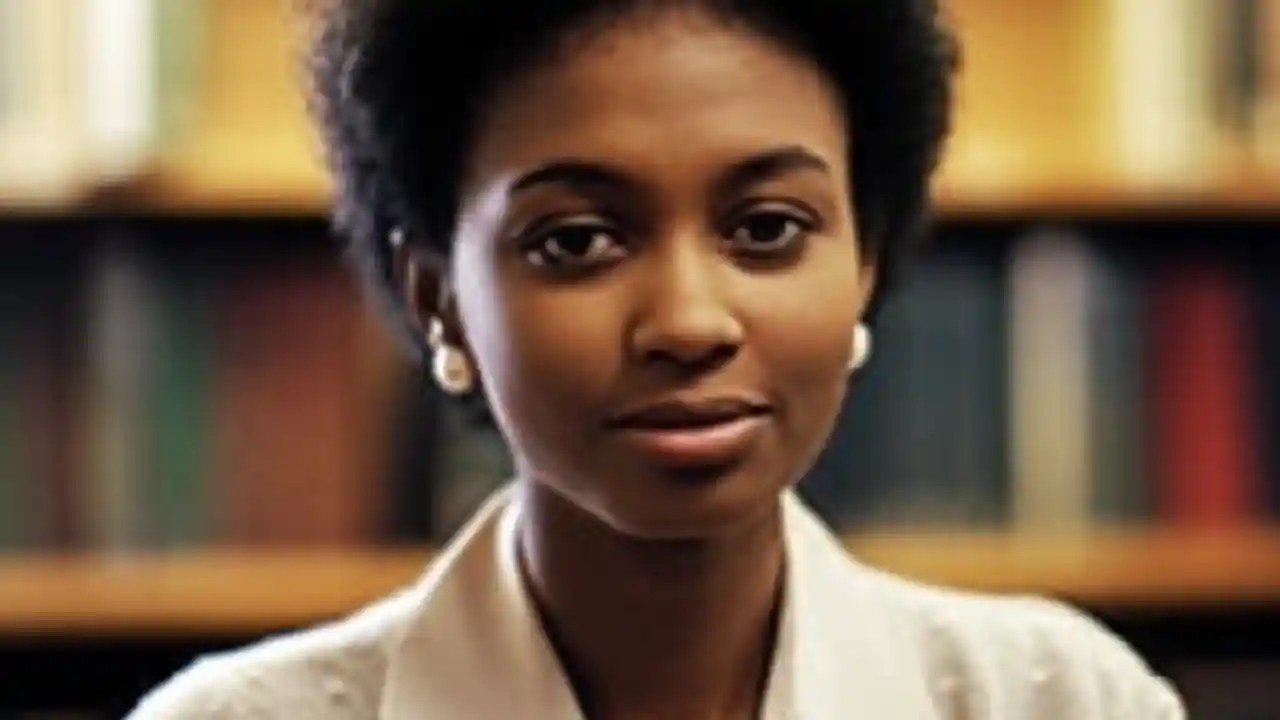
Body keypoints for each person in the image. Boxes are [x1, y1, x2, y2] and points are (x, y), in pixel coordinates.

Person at [131, 0, 1185, 717]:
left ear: (862, 255)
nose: (687, 319)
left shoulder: (1057, 700)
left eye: (766, 228)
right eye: (575, 240)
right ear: (436, 296)